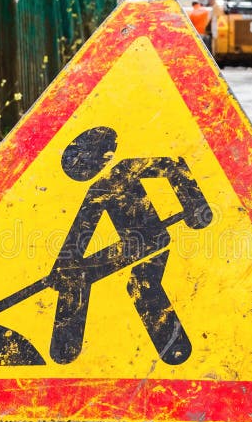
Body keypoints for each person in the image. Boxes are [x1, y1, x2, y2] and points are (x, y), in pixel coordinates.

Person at [48, 126, 212, 366]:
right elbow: (79, 234)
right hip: (133, 246)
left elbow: (174, 167)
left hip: (151, 240)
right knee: (84, 276)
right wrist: (61, 267)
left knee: (137, 283)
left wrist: (196, 204)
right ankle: (65, 346)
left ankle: (66, 347)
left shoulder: (126, 168)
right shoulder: (96, 190)